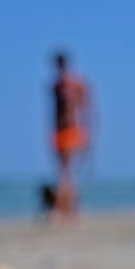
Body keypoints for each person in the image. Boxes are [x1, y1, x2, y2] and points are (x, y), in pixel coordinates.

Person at [50, 51, 90, 222]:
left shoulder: (76, 83)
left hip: (72, 129)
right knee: (64, 172)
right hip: (59, 130)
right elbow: (53, 112)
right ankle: (68, 210)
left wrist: (87, 135)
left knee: (66, 172)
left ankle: (65, 210)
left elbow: (86, 109)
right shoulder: (56, 85)